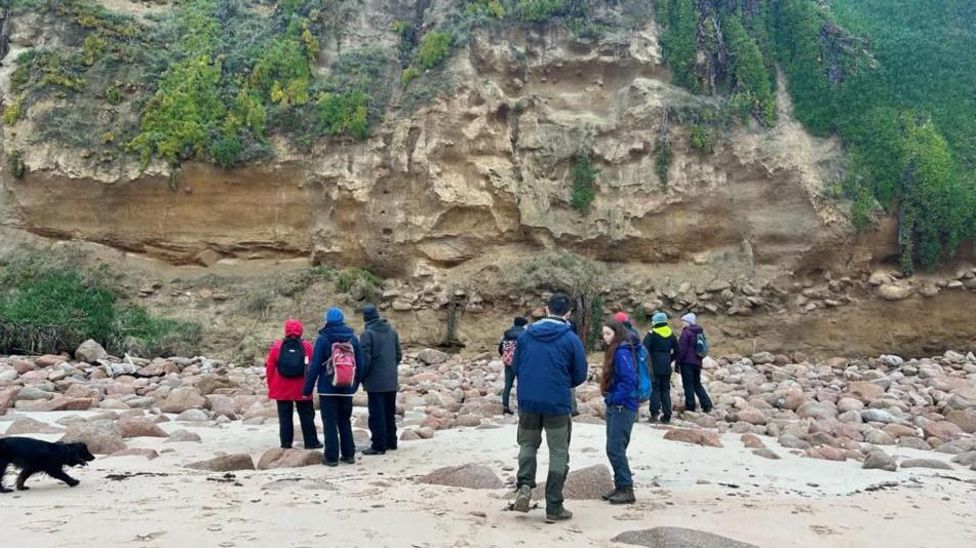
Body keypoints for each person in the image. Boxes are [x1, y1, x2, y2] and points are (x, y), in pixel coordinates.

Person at [511, 293, 588, 523]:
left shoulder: (526, 336)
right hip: (556, 403)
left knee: (527, 444)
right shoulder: (571, 339)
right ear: (568, 313)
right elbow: (580, 374)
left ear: (546, 309)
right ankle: (554, 505)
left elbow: (515, 366)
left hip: (529, 402)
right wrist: (563, 384)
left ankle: (524, 486)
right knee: (558, 452)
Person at [303, 307, 365, 467]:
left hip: (327, 389)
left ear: (327, 320)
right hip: (346, 389)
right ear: (342, 318)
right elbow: (361, 363)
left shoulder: (323, 339)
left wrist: (307, 390)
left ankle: (331, 458)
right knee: (345, 421)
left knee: (329, 423)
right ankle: (349, 454)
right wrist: (355, 384)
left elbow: (315, 366)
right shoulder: (353, 338)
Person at [265, 319, 321, 450]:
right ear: (301, 331)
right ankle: (311, 442)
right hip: (302, 387)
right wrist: (312, 385)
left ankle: (286, 444)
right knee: (306, 415)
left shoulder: (277, 347)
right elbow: (313, 366)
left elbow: (270, 367)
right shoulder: (307, 346)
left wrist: (271, 384)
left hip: (282, 387)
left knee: (285, 417)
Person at [599, 320, 639, 504]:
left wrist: (614, 398)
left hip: (623, 404)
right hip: (619, 403)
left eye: (608, 334)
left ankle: (626, 487)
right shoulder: (619, 349)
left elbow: (629, 379)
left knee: (615, 447)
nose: (605, 337)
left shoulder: (621, 351)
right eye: (604, 334)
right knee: (614, 447)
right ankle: (621, 485)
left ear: (617, 333)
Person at [359, 304, 402, 455]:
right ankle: (392, 442)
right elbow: (398, 355)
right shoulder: (392, 332)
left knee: (376, 414)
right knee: (389, 413)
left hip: (375, 381)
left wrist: (361, 376)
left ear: (365, 317)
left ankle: (378, 445)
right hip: (391, 380)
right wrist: (390, 369)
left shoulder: (367, 334)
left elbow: (365, 360)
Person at [643, 312, 679, 424]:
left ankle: (654, 414)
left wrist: (647, 362)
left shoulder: (651, 334)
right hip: (666, 366)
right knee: (666, 390)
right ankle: (667, 416)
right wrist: (670, 359)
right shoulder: (671, 334)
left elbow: (644, 350)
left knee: (655, 389)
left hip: (654, 366)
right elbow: (678, 351)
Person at [677, 313, 713, 413]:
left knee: (688, 385)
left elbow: (682, 349)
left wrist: (677, 362)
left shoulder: (686, 332)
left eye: (683, 321)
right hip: (697, 362)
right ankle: (707, 405)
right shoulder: (699, 332)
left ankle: (690, 407)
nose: (682, 323)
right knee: (697, 384)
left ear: (688, 322)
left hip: (686, 363)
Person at [498, 316, 528, 415]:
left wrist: (506, 357)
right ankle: (521, 408)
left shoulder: (506, 334)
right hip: (520, 363)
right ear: (523, 325)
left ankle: (505, 406)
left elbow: (500, 349)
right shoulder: (525, 335)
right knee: (521, 385)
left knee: (508, 385)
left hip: (507, 362)